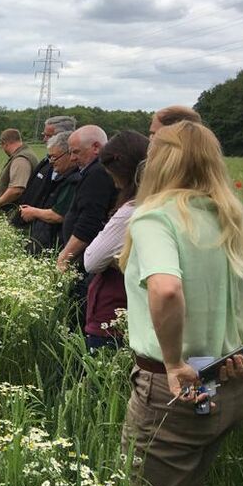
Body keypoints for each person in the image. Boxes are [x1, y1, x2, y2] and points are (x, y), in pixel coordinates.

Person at [118, 120, 243, 486]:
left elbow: (166, 289)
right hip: (234, 382)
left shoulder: (155, 218)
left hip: (178, 387)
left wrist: (171, 363)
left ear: (160, 163)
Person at [82, 130, 149, 351]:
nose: (116, 185)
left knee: (105, 382)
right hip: (143, 321)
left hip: (114, 316)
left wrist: (120, 259)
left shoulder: (133, 210)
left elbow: (92, 260)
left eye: (113, 176)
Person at [56, 125, 116, 272]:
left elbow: (90, 220)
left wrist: (65, 256)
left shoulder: (97, 173)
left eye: (76, 152)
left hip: (86, 259)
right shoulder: (97, 170)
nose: (72, 158)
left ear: (96, 147)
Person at [17, 131, 79, 254]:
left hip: (57, 247)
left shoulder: (74, 180)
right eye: (49, 157)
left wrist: (33, 212)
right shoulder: (63, 176)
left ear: (69, 154)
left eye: (54, 157)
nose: (51, 162)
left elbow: (59, 215)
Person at [0, 128, 39, 214]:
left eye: (2, 146)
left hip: (15, 211)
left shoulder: (21, 159)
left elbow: (16, 190)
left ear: (4, 143)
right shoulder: (24, 154)